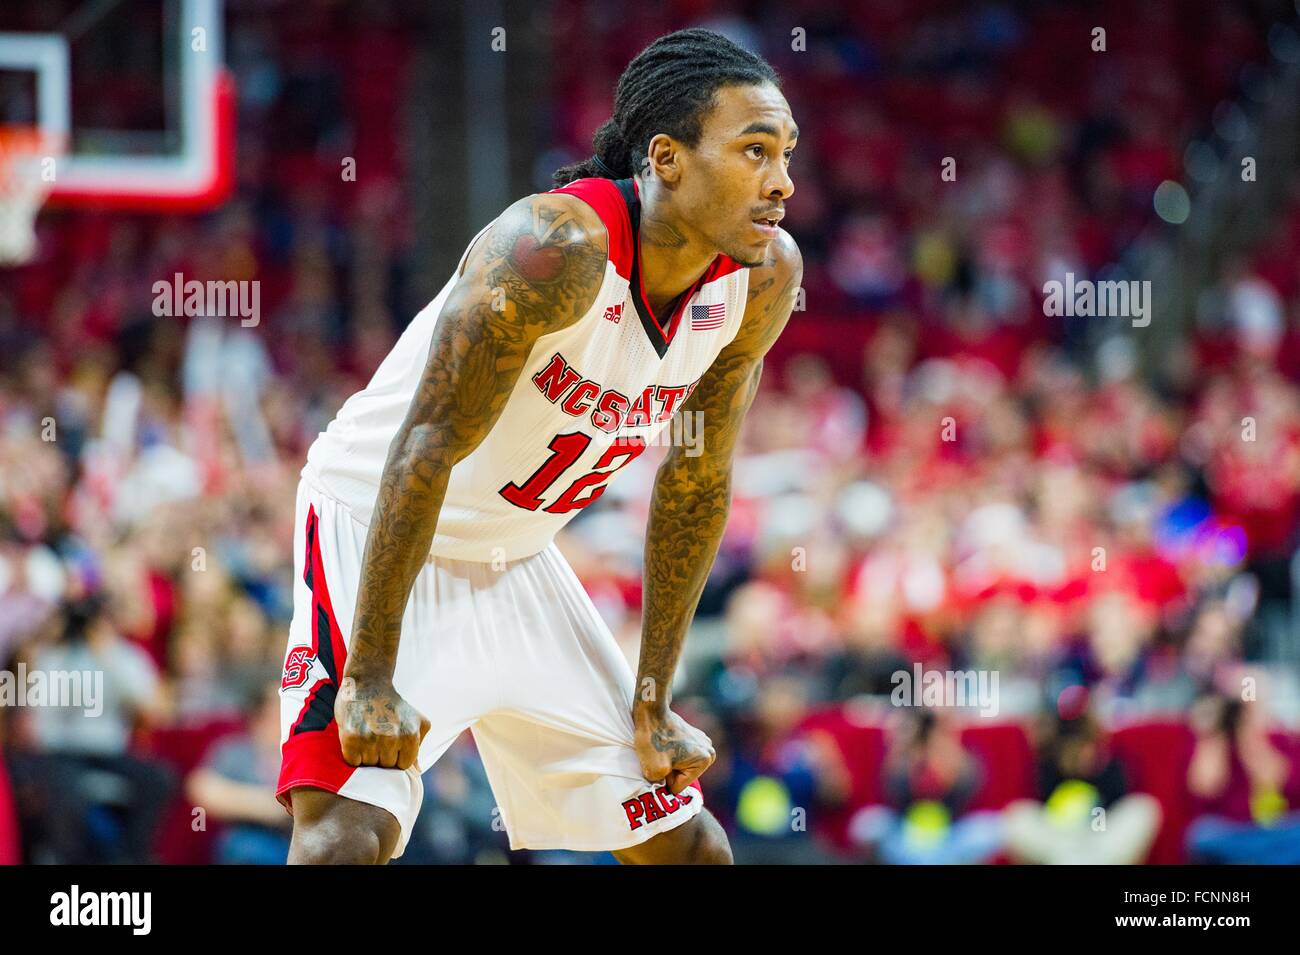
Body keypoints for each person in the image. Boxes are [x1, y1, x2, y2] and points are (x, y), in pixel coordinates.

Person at [276, 28, 801, 864]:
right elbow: (425, 448)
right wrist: (370, 676)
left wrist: (654, 697)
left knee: (690, 847)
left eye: (786, 154)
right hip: (379, 528)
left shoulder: (764, 278)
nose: (782, 182)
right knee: (344, 837)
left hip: (519, 555)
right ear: (666, 157)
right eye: (755, 151)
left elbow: (697, 477)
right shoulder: (552, 249)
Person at [186, 685, 293, 864]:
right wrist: (268, 806)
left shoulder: (302, 755)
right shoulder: (236, 751)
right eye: (276, 714)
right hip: (249, 839)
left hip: (296, 838)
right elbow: (201, 787)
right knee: (249, 847)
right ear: (258, 717)